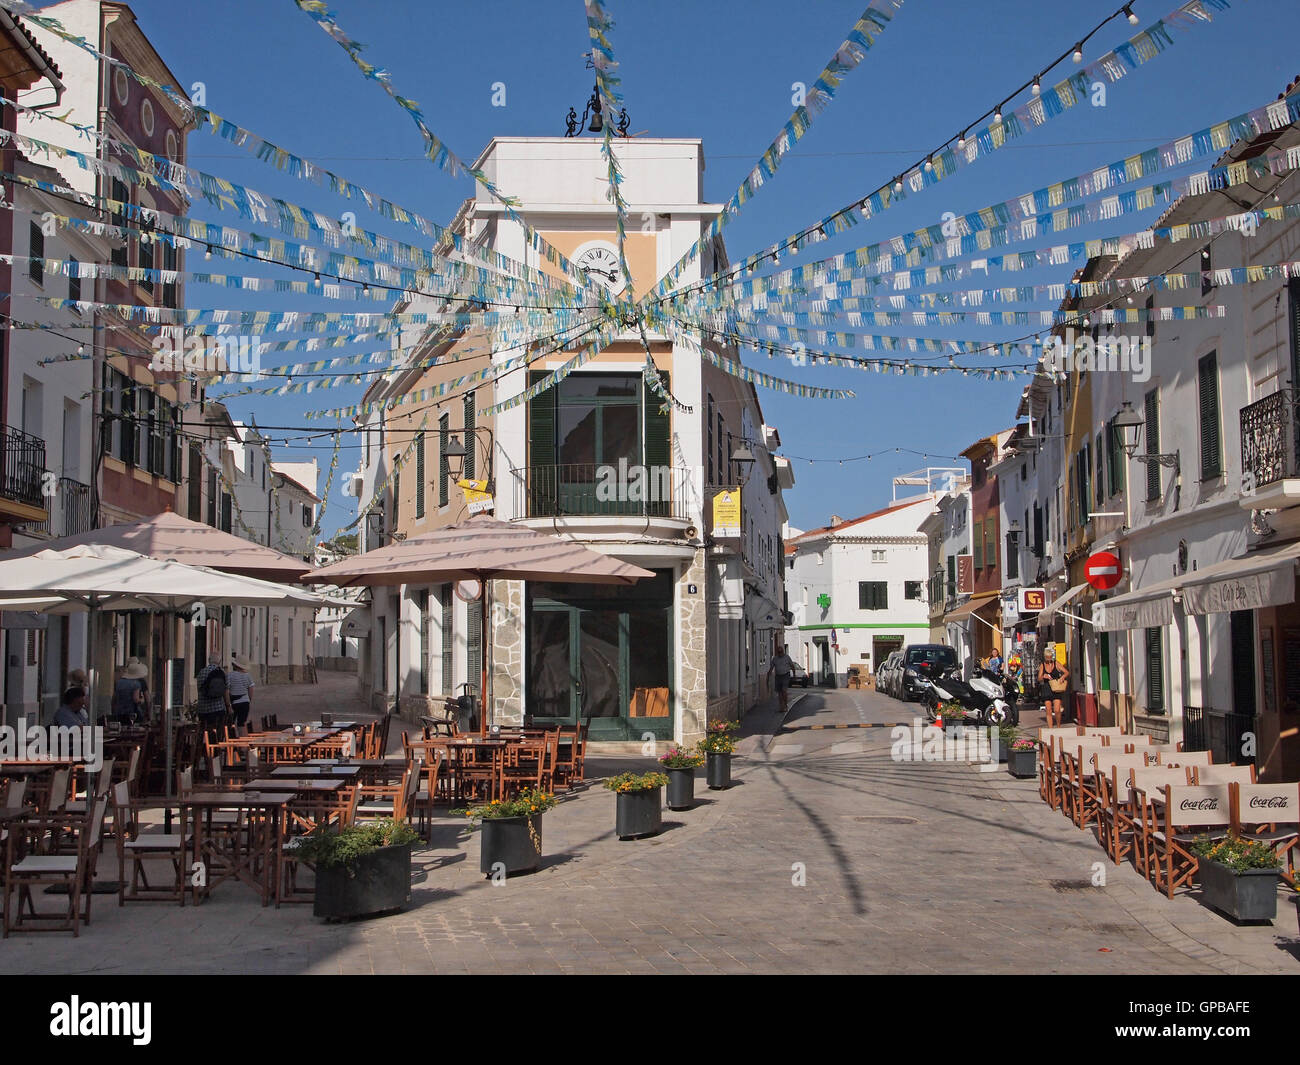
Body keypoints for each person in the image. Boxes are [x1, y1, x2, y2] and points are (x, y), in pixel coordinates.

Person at [195, 654, 232, 736]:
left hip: (203, 709)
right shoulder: (222, 673)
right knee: (217, 732)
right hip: (217, 709)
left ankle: (204, 746)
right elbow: (226, 691)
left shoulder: (201, 672)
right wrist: (228, 707)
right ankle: (215, 746)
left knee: (204, 730)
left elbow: (200, 690)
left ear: (209, 660)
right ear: (219, 661)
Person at [1039, 645, 1069, 726]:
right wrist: (1043, 676)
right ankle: (1050, 728)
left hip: (1056, 688)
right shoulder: (1042, 665)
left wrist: (1062, 677)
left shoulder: (1056, 663)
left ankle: (1058, 725)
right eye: (1047, 657)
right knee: (1048, 710)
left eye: (1050, 657)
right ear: (1045, 657)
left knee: (1056, 710)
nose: (1049, 659)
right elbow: (1039, 678)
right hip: (1046, 688)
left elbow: (1066, 672)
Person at [113, 657, 149, 725]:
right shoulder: (138, 683)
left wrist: (114, 713)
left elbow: (114, 699)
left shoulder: (120, 682)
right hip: (133, 715)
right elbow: (136, 699)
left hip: (119, 714)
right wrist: (142, 701)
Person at [227, 657, 254, 728]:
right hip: (245, 701)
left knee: (231, 722)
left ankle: (231, 736)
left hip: (234, 702)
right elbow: (251, 690)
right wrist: (249, 700)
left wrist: (228, 704)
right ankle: (242, 736)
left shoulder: (230, 675)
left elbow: (227, 690)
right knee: (242, 723)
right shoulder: (248, 676)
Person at [768, 644, 795, 715]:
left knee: (784, 690)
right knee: (779, 692)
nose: (780, 653)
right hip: (778, 676)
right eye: (778, 652)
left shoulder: (787, 657)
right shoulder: (775, 658)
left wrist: (794, 674)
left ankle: (785, 705)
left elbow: (792, 666)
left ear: (783, 651)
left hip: (786, 675)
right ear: (777, 652)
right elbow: (771, 667)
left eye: (781, 652)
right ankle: (781, 706)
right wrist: (768, 674)